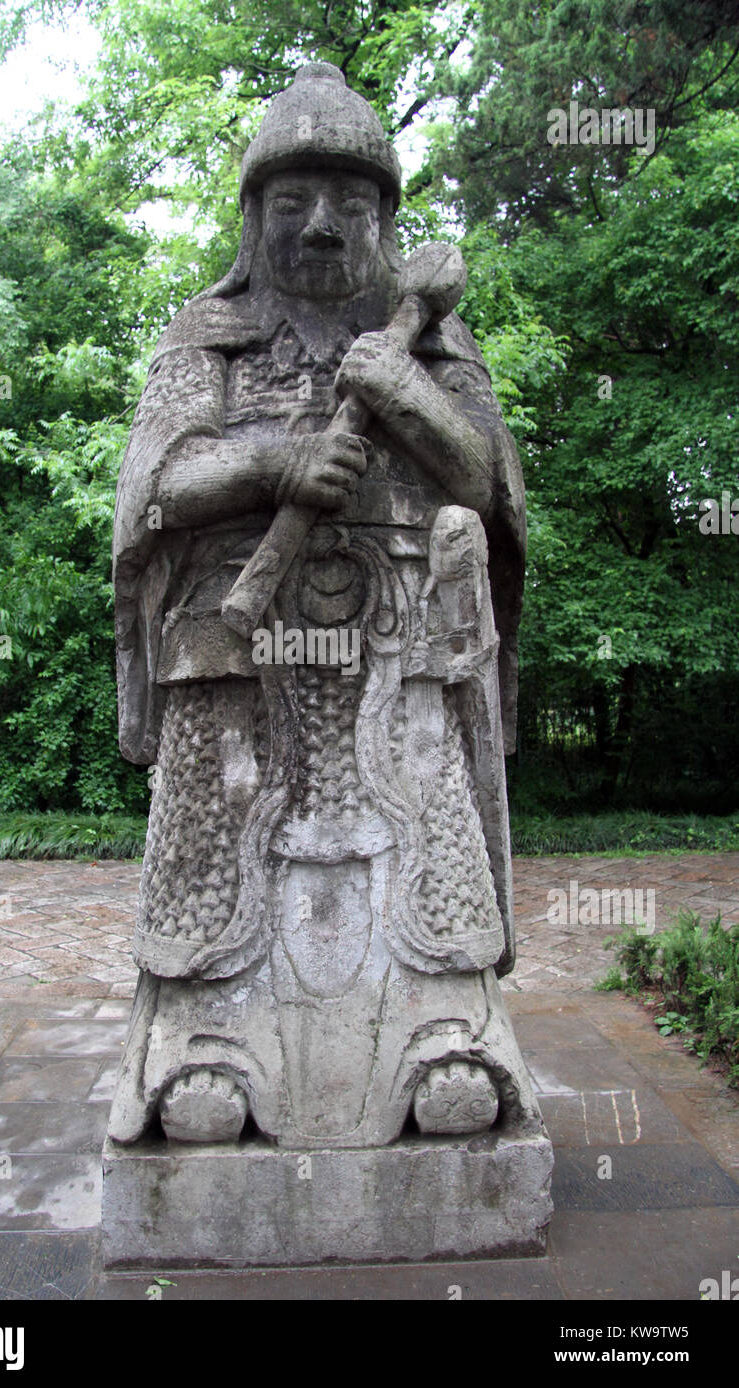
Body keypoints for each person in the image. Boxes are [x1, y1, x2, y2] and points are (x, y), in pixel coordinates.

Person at [109, 63, 540, 1149]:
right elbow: (157, 485)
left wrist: (394, 386)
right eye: (291, 198)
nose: (318, 225)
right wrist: (273, 463)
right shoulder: (204, 337)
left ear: (384, 222)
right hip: (236, 634)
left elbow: (484, 484)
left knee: (419, 806)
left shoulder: (431, 343)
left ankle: (446, 1026)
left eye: (349, 201)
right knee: (218, 819)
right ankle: (203, 1035)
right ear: (252, 218)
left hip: (400, 630)